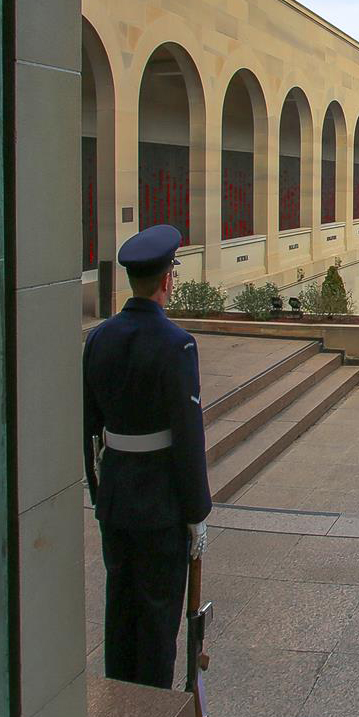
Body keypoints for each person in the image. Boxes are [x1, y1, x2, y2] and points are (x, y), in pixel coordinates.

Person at [83, 224, 212, 690]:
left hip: (116, 497)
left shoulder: (99, 338)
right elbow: (187, 437)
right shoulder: (176, 344)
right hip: (160, 504)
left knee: (119, 610)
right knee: (158, 619)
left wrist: (101, 490)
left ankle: (119, 707)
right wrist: (197, 512)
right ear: (167, 280)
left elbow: (89, 426)